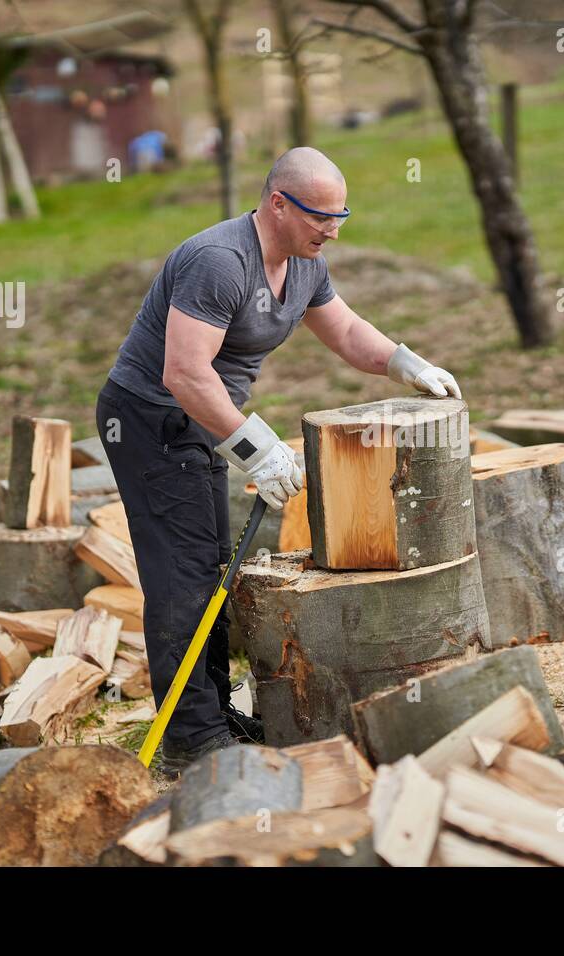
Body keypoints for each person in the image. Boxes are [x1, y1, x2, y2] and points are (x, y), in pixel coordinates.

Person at [97, 147, 461, 776]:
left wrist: (409, 364)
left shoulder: (303, 264)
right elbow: (183, 373)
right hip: (151, 422)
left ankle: (211, 715)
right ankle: (188, 740)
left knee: (210, 569)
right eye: (321, 215)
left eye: (341, 214)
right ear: (277, 203)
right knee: (180, 578)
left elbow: (346, 333)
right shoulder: (219, 261)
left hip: (203, 423)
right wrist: (256, 448)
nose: (334, 228)